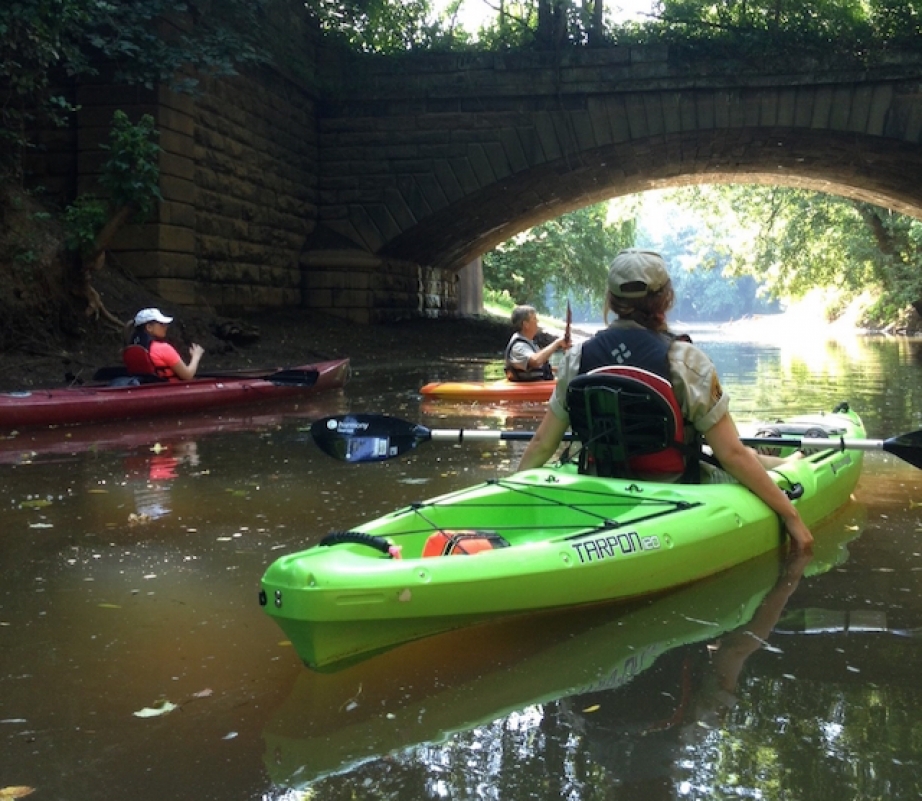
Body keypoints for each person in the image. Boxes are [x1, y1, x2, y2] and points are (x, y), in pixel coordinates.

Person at [517, 249, 813, 550]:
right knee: (738, 454)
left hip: (601, 486)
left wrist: (511, 492)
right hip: (675, 490)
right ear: (666, 299)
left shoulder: (577, 358)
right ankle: (790, 465)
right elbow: (732, 455)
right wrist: (790, 515)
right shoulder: (685, 361)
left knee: (741, 454)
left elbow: (542, 444)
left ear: (611, 300)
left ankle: (787, 462)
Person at [126, 307, 205, 381]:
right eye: (161, 324)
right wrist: (196, 356)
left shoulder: (131, 349)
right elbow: (187, 375)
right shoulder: (163, 348)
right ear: (149, 327)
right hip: (171, 388)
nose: (166, 326)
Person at [504, 305, 570, 381]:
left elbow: (540, 366)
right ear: (526, 324)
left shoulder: (530, 343)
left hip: (542, 383)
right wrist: (557, 343)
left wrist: (560, 369)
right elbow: (536, 361)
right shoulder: (519, 346)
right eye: (534, 319)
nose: (537, 321)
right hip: (532, 386)